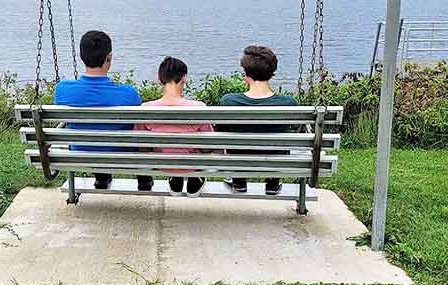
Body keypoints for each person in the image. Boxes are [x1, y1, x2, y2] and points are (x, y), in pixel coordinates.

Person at [54, 30, 144, 190]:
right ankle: (143, 179)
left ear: (82, 56)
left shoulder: (62, 90)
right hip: (120, 155)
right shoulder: (128, 94)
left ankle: (101, 176)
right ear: (109, 57)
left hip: (80, 152)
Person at [219, 45, 298, 195]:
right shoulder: (289, 103)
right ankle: (273, 181)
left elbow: (222, 131)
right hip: (275, 159)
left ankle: (239, 180)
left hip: (238, 159)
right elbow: (293, 128)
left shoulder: (228, 101)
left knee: (235, 146)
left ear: (246, 75)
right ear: (271, 73)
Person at [135, 56, 213, 196]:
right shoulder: (198, 108)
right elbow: (207, 146)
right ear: (184, 78)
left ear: (159, 79)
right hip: (191, 164)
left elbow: (141, 145)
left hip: (162, 164)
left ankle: (175, 178)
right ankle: (195, 177)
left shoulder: (146, 109)